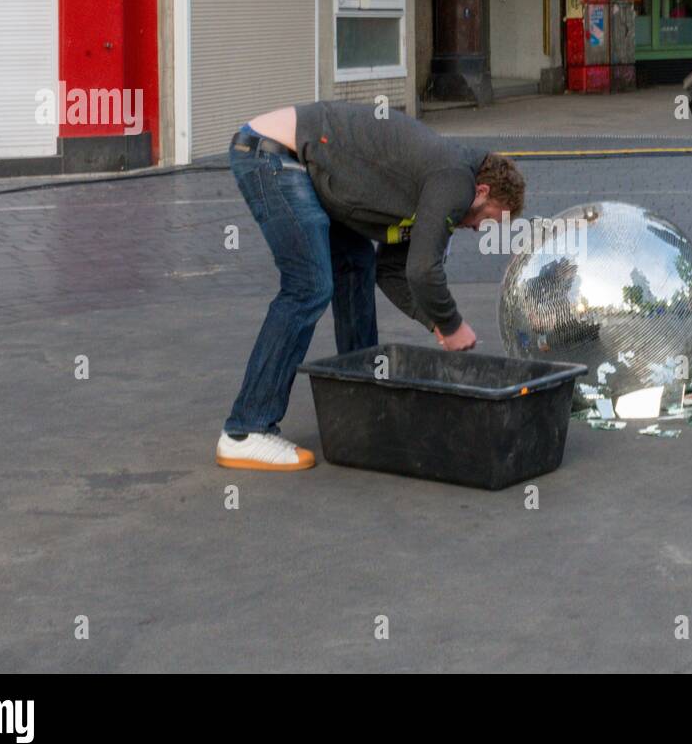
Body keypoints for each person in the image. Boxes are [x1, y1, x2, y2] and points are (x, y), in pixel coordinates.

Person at [217, 101, 526, 470]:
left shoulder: (439, 182)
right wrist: (452, 324)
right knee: (309, 286)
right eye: (486, 219)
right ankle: (245, 430)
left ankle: (361, 405)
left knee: (356, 264)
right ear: (482, 190)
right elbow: (424, 271)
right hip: (271, 155)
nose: (477, 229)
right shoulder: (454, 180)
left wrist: (434, 323)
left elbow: (392, 271)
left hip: (309, 168)